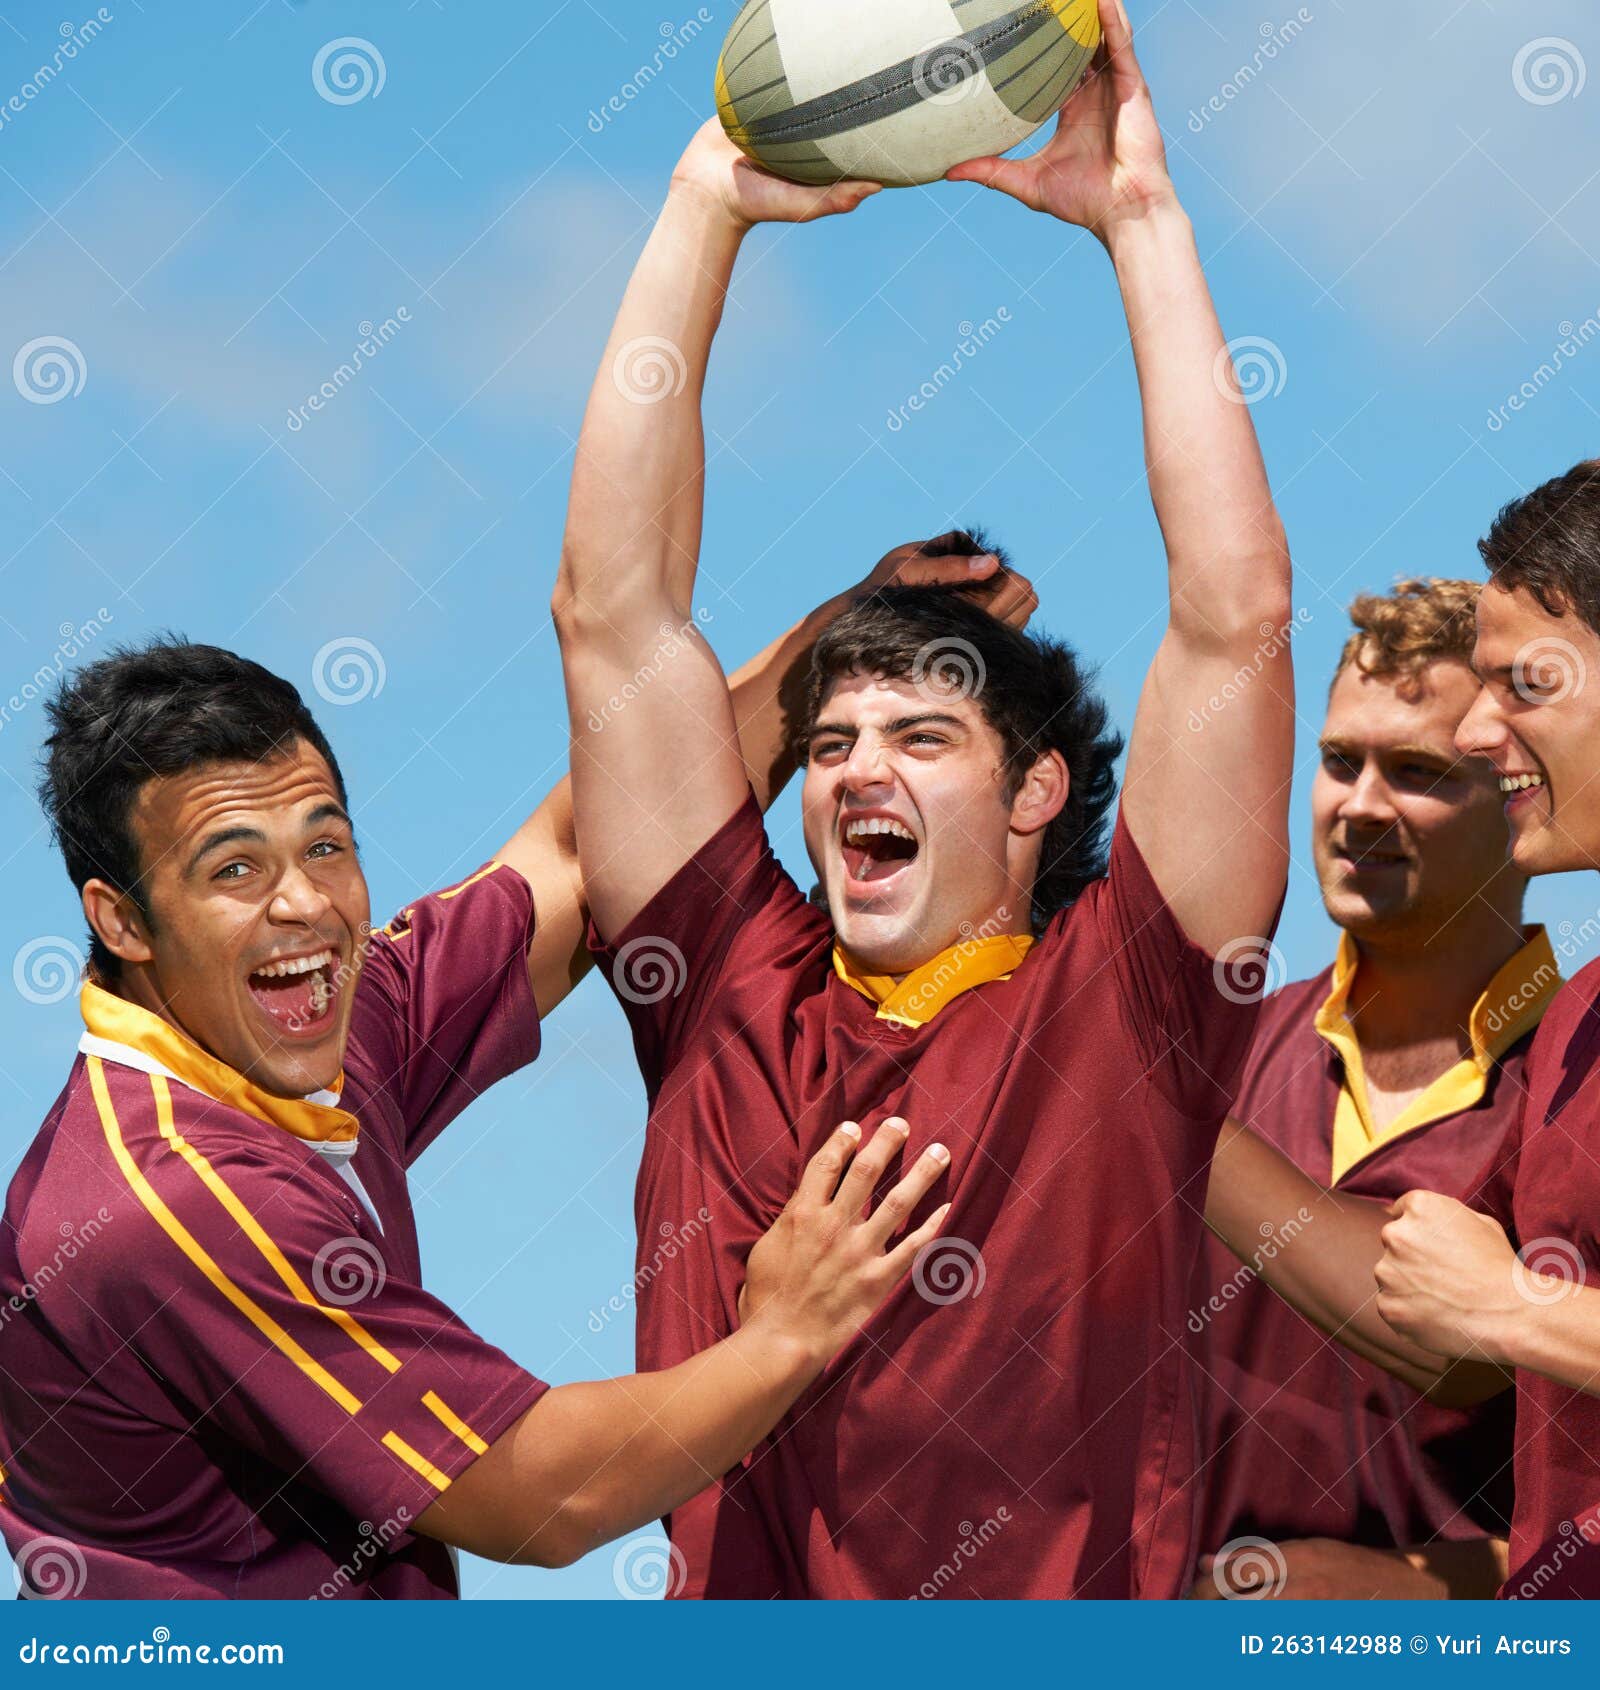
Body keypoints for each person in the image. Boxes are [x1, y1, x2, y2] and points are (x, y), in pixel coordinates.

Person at [555, 0, 1294, 1597]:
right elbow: (613, 615)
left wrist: (1141, 224)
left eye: (922, 735)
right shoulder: (720, 986)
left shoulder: (1127, 1006)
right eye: (828, 744)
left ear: (1037, 792)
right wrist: (705, 202)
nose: (856, 770)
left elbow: (1235, 616)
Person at [0, 558, 988, 1599]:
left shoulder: (297, 1026)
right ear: (119, 918)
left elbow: (583, 857)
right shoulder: (177, 1197)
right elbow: (532, 1495)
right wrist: (791, 1330)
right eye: (234, 868)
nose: (304, 904)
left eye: (325, 844)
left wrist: (832, 645)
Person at [1203, 459, 1600, 1601]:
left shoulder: (1545, 1050)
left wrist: (1397, 1594)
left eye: (1522, 684)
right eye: (1336, 762)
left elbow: (1467, 1354)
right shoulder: (1579, 1023)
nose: (1484, 733)